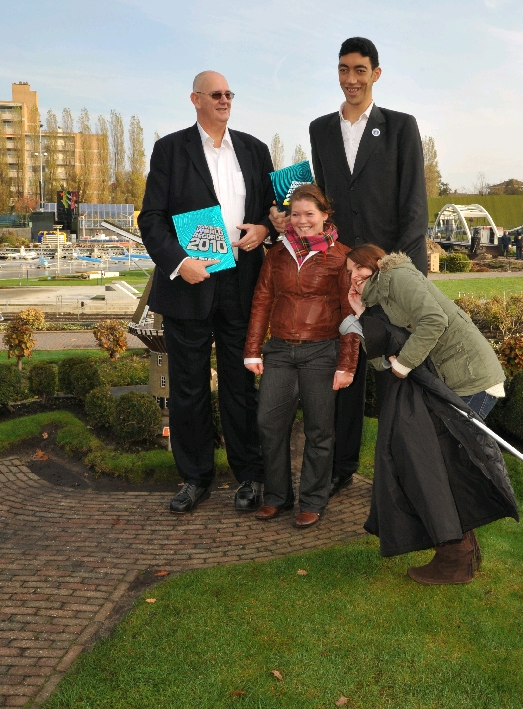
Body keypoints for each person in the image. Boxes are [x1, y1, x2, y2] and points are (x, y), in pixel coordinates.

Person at [271, 37, 429, 497]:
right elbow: (323, 203)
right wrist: (289, 218)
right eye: (343, 69)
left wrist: (387, 271)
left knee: (399, 374)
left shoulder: (400, 127)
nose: (351, 78)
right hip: (341, 275)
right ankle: (340, 469)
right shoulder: (321, 129)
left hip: (393, 274)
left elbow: (414, 209)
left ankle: (403, 472)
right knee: (344, 372)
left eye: (360, 69)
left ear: (376, 74)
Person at [138, 70, 277, 515]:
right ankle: (195, 477)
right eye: (215, 94)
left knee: (241, 386)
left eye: (229, 94)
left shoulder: (255, 150)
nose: (224, 100)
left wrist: (263, 228)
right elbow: (152, 219)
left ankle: (250, 477)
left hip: (241, 283)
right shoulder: (170, 149)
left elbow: (274, 212)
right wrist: (180, 262)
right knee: (188, 388)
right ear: (195, 99)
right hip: (189, 284)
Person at [341, 245, 516, 585]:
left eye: (358, 270)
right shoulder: (381, 299)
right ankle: (463, 553)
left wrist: (404, 365)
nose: (354, 278)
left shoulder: (398, 277)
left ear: (376, 264)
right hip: (452, 382)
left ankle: (456, 559)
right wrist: (362, 314)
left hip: (469, 380)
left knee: (448, 471)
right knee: (448, 466)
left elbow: (433, 320)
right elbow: (380, 359)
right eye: (348, 274)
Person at [244, 186, 359, 528]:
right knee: (268, 424)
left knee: (319, 431)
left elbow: (351, 312)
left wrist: (347, 363)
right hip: (279, 350)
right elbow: (262, 301)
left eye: (310, 214)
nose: (302, 220)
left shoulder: (342, 257)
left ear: (325, 215)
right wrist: (252, 350)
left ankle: (313, 500)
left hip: (322, 352)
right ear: (288, 218)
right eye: (296, 214)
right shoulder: (277, 255)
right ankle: (277, 497)